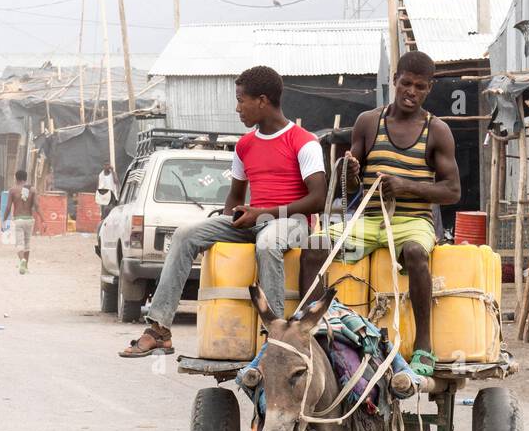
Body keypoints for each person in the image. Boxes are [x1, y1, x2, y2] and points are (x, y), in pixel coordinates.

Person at [120, 65, 327, 357]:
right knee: (185, 235)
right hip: (256, 220)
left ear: (263, 101)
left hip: (290, 222)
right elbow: (235, 197)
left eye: (241, 100)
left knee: (268, 243)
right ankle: (159, 329)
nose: (237, 107)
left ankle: (276, 335)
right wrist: (235, 219)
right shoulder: (244, 145)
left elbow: (318, 199)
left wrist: (263, 213)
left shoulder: (304, 141)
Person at [297, 50, 460, 377]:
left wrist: (407, 186)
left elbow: (452, 191)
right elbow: (347, 184)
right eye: (406, 83)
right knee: (315, 248)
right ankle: (309, 337)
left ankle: (423, 346)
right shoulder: (369, 122)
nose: (411, 92)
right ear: (394, 80)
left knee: (415, 253)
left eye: (420, 87)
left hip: (412, 222)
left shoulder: (437, 130)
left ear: (429, 89)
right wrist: (350, 170)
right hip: (367, 222)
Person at [1, 168, 37, 274]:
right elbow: (37, 206)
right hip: (29, 220)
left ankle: (22, 260)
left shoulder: (12, 190)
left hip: (18, 220)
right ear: (25, 179)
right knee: (27, 244)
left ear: (16, 178)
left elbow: (8, 207)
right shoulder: (32, 189)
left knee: (19, 244)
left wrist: (4, 220)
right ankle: (25, 267)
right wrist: (43, 219)